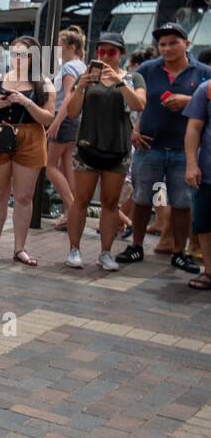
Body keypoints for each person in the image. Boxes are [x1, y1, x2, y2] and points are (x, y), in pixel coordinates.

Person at [117, 23, 211, 273]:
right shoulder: (147, 69)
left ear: (186, 44)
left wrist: (188, 101)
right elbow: (125, 100)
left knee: (183, 202)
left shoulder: (203, 72)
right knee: (141, 198)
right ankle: (136, 245)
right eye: (163, 44)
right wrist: (132, 131)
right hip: (149, 146)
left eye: (173, 42)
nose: (167, 48)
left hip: (186, 150)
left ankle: (179, 252)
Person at [65, 32, 146, 271]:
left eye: (112, 52)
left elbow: (139, 104)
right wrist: (81, 86)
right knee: (81, 199)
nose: (106, 56)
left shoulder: (133, 77)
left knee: (111, 203)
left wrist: (120, 83)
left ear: (121, 54)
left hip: (117, 148)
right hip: (88, 146)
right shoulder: (87, 77)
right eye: (102, 52)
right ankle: (74, 249)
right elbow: (71, 112)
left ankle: (106, 252)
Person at [0, 35, 54, 265]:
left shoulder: (43, 83)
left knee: (23, 196)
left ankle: (19, 248)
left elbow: (48, 118)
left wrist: (26, 102)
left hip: (30, 137)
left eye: (23, 55)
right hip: (2, 136)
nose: (17, 59)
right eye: (14, 54)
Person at [46, 26, 86, 230]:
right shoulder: (81, 66)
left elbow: (69, 96)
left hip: (64, 119)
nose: (57, 48)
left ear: (72, 46)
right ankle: (72, 210)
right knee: (66, 165)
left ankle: (72, 210)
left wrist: (56, 121)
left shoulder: (70, 68)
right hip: (74, 120)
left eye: (60, 45)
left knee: (49, 166)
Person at [184, 72, 211, 290]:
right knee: (205, 223)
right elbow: (193, 128)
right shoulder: (207, 90)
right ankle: (209, 272)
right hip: (208, 171)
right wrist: (191, 165)